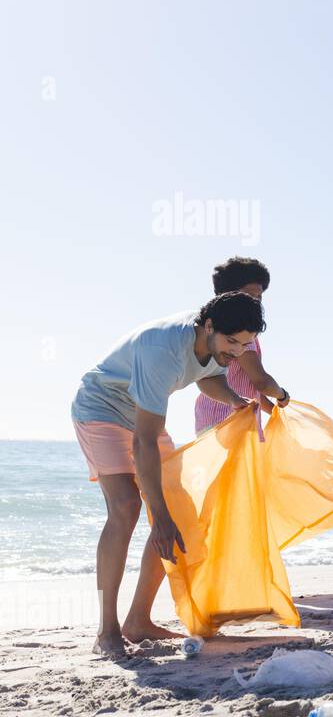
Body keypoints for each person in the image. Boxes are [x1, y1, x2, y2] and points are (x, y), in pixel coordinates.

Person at [71, 292, 266, 656]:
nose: (237, 352)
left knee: (177, 510)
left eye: (245, 344)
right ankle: (107, 630)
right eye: (231, 342)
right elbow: (144, 443)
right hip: (102, 408)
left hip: (144, 414)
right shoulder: (163, 349)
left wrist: (234, 400)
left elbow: (207, 377)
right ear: (208, 326)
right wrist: (156, 518)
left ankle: (138, 621)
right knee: (127, 507)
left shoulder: (214, 343)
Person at [194, 257, 289, 431]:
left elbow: (255, 392)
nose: (255, 302)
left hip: (212, 417)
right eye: (249, 295)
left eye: (259, 297)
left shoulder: (218, 331)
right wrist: (282, 396)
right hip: (230, 419)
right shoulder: (242, 336)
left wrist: (278, 412)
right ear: (228, 296)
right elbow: (262, 382)